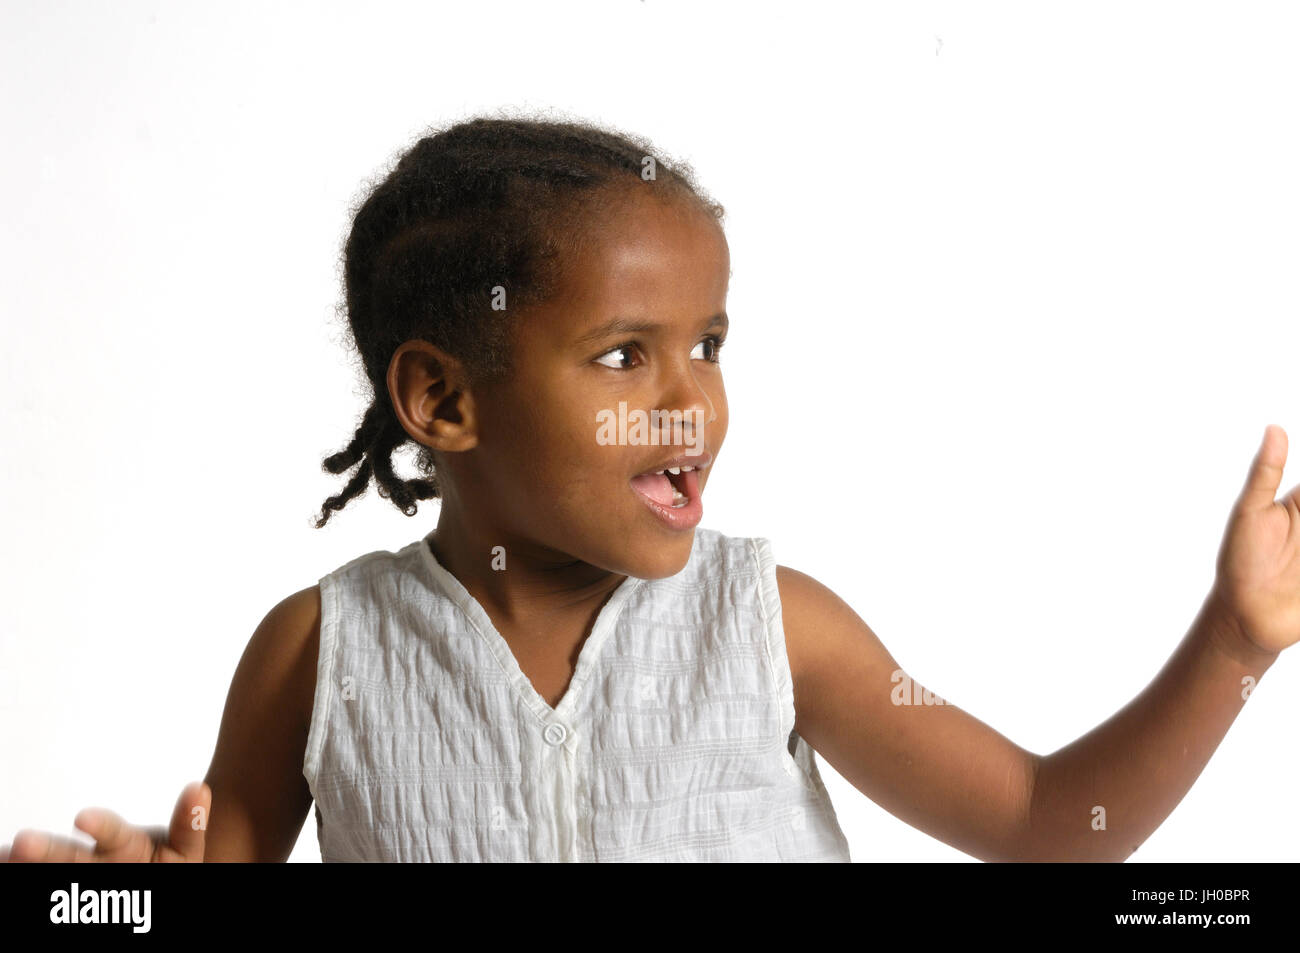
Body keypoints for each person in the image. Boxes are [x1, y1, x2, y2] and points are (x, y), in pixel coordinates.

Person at [5, 115, 1296, 862]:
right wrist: (104, 892)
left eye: (711, 344)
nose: (693, 401)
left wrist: (1236, 641)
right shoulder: (319, 653)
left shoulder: (777, 626)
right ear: (443, 399)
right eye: (626, 354)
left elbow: (1041, 825)